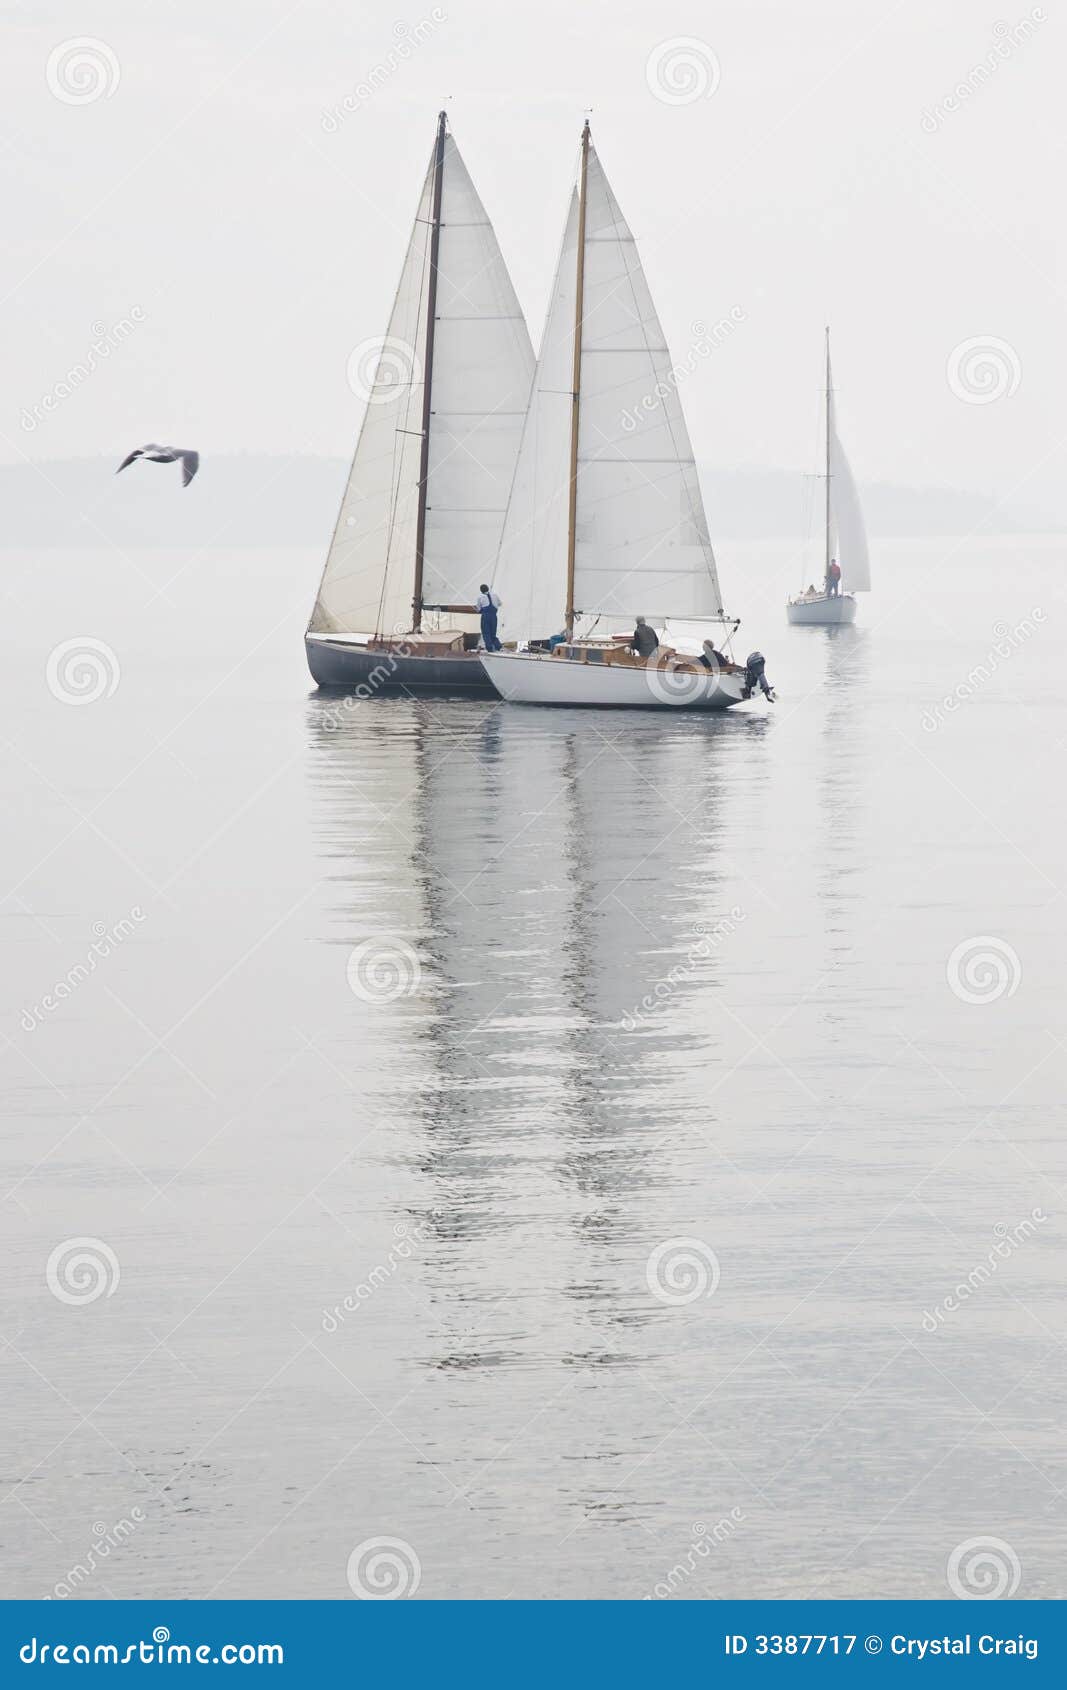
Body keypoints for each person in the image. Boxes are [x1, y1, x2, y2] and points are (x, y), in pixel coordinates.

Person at [475, 583, 502, 651]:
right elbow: (500, 604)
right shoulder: (495, 595)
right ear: (488, 588)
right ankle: (498, 646)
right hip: (494, 616)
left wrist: (479, 610)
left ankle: (490, 648)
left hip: (486, 616)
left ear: (481, 591)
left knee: (486, 633)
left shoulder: (480, 597)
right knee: (493, 633)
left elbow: (478, 609)